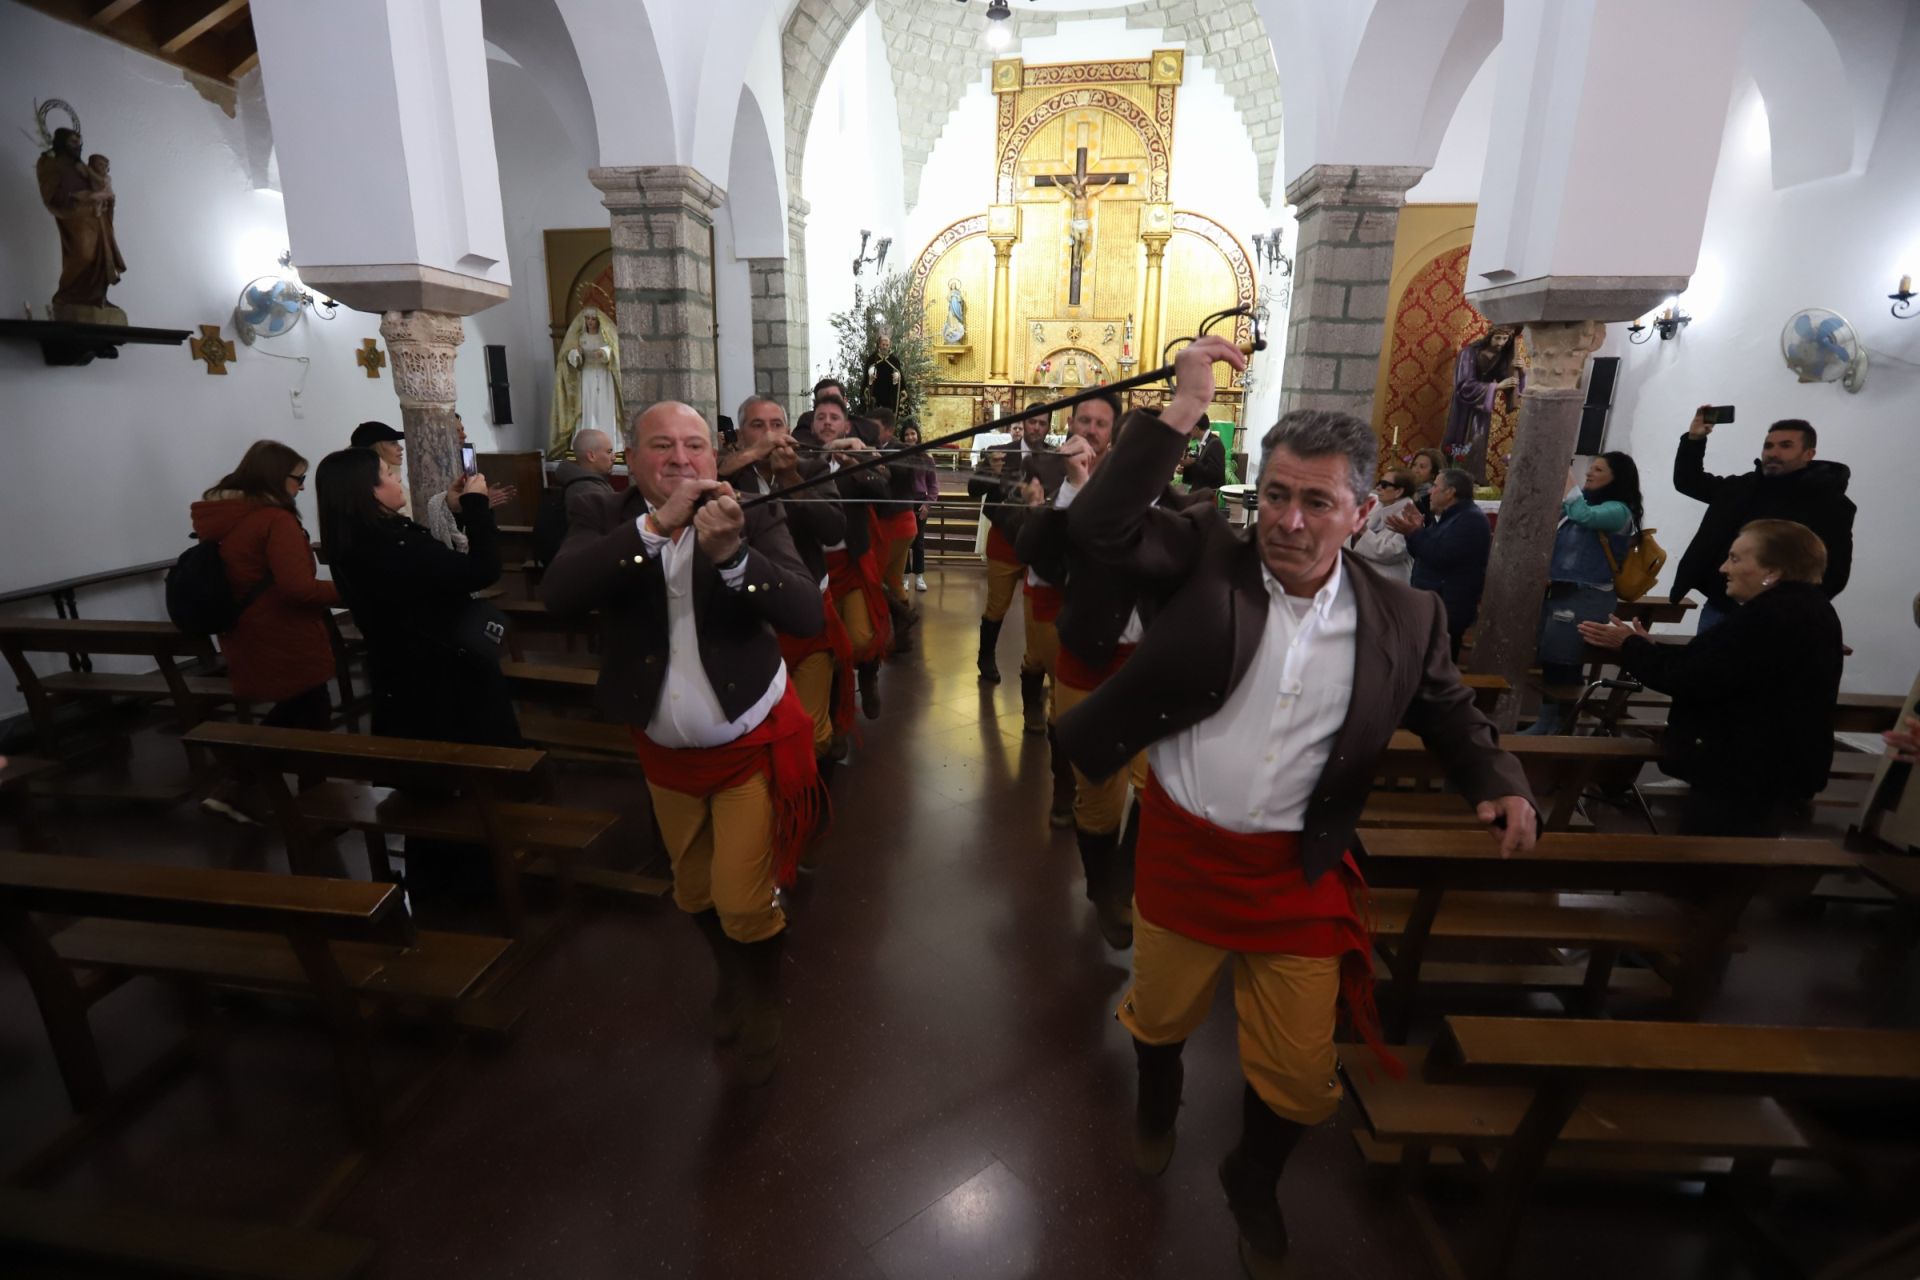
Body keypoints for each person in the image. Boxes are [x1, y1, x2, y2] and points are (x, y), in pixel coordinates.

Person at [1057, 336, 1535, 1278]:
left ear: (1361, 513)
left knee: (1303, 1076)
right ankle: (1159, 1103)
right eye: (1276, 494)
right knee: (1158, 1019)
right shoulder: (1202, 555)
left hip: (1295, 871)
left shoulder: (1406, 617)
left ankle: (1253, 1178)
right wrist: (1182, 409)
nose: (1289, 518)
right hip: (1185, 851)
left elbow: (1445, 709)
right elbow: (1097, 532)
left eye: (1317, 501)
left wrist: (1498, 783)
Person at [542, 401, 823, 1086]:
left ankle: (763, 998)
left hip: (747, 742)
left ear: (715, 454)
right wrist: (652, 528)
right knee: (693, 891)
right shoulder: (602, 517)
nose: (680, 459)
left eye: (695, 446)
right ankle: (729, 975)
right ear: (630, 461)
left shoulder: (750, 506)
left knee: (744, 897)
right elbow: (559, 595)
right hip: (662, 751)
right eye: (660, 446)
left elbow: (805, 612)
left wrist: (733, 559)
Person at [1019, 392, 1208, 947]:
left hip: (1147, 671)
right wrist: (1072, 490)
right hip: (1088, 662)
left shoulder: (1180, 507)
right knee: (1097, 797)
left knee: (1159, 790)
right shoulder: (1070, 489)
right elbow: (1044, 558)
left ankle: (1123, 884)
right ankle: (1101, 883)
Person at [1580, 519, 1843, 836]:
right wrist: (1649, 647)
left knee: (1709, 870)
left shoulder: (1768, 618)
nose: (1722, 568)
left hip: (1743, 771)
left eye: (1735, 558)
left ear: (1772, 572)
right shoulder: (1808, 608)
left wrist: (1627, 645)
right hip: (1770, 766)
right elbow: (1717, 665)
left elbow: (1689, 676)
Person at [317, 447, 515, 748]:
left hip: (398, 669)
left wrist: (451, 507)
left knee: (424, 761)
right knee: (466, 759)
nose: (397, 478)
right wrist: (477, 505)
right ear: (366, 491)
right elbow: (482, 571)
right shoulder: (393, 546)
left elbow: (429, 566)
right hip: (442, 674)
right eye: (387, 474)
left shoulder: (357, 540)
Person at [191, 441, 339, 824]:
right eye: (298, 479)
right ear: (276, 477)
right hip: (285, 632)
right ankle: (309, 805)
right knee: (310, 714)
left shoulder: (227, 517)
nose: (302, 487)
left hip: (248, 631)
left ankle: (249, 790)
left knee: (302, 712)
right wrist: (350, 590)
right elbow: (299, 588)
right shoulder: (274, 520)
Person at [721, 396, 853, 775]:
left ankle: (812, 793)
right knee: (762, 721)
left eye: (776, 425)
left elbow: (833, 530)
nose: (769, 435)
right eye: (757, 426)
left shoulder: (810, 468)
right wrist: (743, 461)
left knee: (812, 732)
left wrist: (792, 480)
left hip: (807, 609)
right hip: (748, 618)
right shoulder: (728, 474)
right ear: (741, 435)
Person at [1672, 410, 1855, 631]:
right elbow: (1689, 481)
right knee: (1704, 665)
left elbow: (1835, 569)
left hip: (1777, 618)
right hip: (1722, 608)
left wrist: (1795, 608)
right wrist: (1695, 439)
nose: (1773, 453)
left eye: (1785, 446)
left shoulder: (1827, 502)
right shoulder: (1742, 487)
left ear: (1808, 453)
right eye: (1768, 446)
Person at [1519, 452, 1643, 734]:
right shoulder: (1585, 503)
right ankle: (1549, 722)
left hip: (1587, 596)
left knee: (1566, 659)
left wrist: (1564, 474)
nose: (1590, 473)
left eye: (1598, 469)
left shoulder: (1618, 510)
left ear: (1616, 478)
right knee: (1554, 658)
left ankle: (1559, 725)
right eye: (1591, 468)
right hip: (1563, 593)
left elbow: (1584, 516)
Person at [807, 396, 893, 717]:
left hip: (851, 562)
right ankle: (837, 710)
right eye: (821, 417)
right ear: (813, 425)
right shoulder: (803, 458)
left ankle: (867, 669)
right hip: (815, 569)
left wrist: (855, 466)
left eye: (834, 418)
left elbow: (883, 494)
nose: (827, 422)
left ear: (845, 425)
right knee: (830, 645)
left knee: (859, 638)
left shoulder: (857, 456)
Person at [969, 412, 1054, 684]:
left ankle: (1035, 667)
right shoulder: (998, 452)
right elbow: (973, 489)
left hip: (1040, 546)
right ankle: (985, 656)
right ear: (1023, 423)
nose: (1037, 427)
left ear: (1048, 426)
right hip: (1004, 540)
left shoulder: (1056, 457)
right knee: (996, 606)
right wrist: (989, 474)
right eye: (1033, 421)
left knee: (1036, 612)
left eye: (1042, 423)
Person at [1390, 468, 1491, 661]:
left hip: (1447, 607)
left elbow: (1439, 556)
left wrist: (1413, 533)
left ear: (1450, 492)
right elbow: (1423, 552)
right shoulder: (1450, 518)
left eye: (1436, 486)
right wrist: (1417, 530)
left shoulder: (1470, 520)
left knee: (1436, 665)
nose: (1430, 491)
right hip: (1435, 604)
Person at [1442, 326, 1523, 482]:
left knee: (1477, 442)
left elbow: (1506, 380)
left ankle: (1472, 479)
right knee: (1461, 438)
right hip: (1464, 405)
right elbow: (1463, 385)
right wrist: (1496, 387)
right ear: (1489, 337)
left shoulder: (1500, 355)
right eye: (1497, 338)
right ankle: (1453, 477)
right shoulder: (1469, 353)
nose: (1501, 343)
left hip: (1482, 407)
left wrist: (1522, 370)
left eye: (1505, 339)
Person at [531, 427, 616, 567]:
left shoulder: (591, 483)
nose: (614, 457)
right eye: (609, 452)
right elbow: (598, 534)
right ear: (591, 456)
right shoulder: (586, 490)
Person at [547, 307, 623, 458]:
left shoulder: (605, 336)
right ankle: (584, 448)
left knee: (605, 408)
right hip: (587, 377)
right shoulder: (580, 338)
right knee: (589, 408)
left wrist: (605, 352)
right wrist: (575, 354)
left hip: (604, 377)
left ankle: (611, 448)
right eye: (587, 319)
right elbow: (568, 356)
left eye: (593, 319)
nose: (590, 322)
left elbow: (615, 351)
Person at [1349, 468, 1416, 582]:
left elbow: (1392, 552)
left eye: (1385, 485)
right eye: (1379, 483)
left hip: (1391, 582)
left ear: (1398, 491)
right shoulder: (1377, 508)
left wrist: (1364, 532)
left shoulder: (1410, 517)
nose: (1378, 488)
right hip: (1367, 579)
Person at [900, 425, 938, 592]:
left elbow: (933, 485)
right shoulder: (898, 457)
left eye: (913, 433)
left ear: (918, 436)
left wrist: (928, 504)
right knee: (904, 542)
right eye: (906, 434)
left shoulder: (927, 458)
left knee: (919, 542)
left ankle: (920, 576)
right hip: (903, 502)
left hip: (920, 501)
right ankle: (905, 576)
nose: (910, 437)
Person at [350, 421, 410, 520]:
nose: (401, 448)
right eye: (393, 443)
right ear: (377, 448)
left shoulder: (396, 477)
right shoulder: (371, 488)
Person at [1179, 419, 1228, 492]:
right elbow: (1203, 468)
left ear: (1196, 428)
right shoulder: (1203, 443)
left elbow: (1216, 474)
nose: (1188, 431)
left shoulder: (1215, 443)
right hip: (1200, 493)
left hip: (1207, 495)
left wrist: (1194, 462)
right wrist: (1186, 469)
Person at [1408, 447, 1446, 514]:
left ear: (1433, 474)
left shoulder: (1433, 498)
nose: (1415, 470)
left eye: (1422, 467)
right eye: (1414, 465)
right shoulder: (1407, 488)